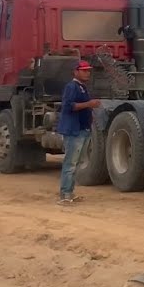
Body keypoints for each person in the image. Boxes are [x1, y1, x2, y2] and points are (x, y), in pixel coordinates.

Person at [57, 60, 100, 204]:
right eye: (84, 70)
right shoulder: (71, 87)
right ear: (76, 72)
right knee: (70, 163)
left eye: (88, 70)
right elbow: (68, 106)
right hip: (73, 131)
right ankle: (65, 195)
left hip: (82, 129)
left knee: (75, 163)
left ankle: (69, 192)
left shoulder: (82, 87)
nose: (87, 72)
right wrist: (89, 104)